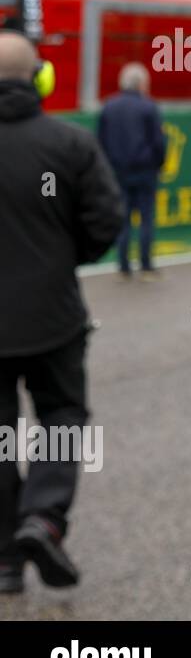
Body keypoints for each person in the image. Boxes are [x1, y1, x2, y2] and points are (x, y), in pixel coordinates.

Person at [0, 32, 124, 593]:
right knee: (61, 418)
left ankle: (6, 559)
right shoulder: (70, 143)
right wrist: (60, 257)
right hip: (54, 314)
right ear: (40, 77)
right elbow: (105, 222)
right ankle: (43, 518)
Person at [96, 63, 165, 278]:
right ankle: (145, 264)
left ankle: (123, 264)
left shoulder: (109, 106)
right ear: (142, 83)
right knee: (146, 218)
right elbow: (159, 142)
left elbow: (101, 141)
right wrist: (157, 164)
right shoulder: (148, 106)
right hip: (145, 171)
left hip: (118, 172)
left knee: (123, 218)